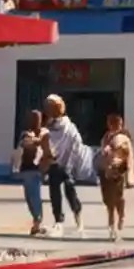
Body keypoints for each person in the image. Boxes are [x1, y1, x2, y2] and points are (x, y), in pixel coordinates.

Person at [42, 94, 85, 237]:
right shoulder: (48, 126)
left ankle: (78, 219)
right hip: (54, 164)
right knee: (54, 193)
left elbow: (77, 143)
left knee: (70, 191)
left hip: (67, 164)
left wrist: (71, 160)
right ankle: (58, 222)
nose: (47, 109)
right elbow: (46, 142)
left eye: (50, 106)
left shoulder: (68, 126)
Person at [97, 113, 134, 241]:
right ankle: (111, 227)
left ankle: (119, 219)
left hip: (117, 171)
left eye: (118, 123)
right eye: (112, 123)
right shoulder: (105, 137)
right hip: (105, 171)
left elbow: (128, 155)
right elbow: (103, 152)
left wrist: (130, 173)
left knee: (117, 198)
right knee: (108, 201)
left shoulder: (123, 138)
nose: (115, 126)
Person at [11, 110, 47, 235]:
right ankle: (36, 221)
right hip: (27, 170)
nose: (37, 121)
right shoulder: (26, 135)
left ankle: (37, 222)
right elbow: (24, 146)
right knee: (30, 197)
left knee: (34, 197)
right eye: (34, 119)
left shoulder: (43, 134)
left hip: (36, 171)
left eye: (38, 118)